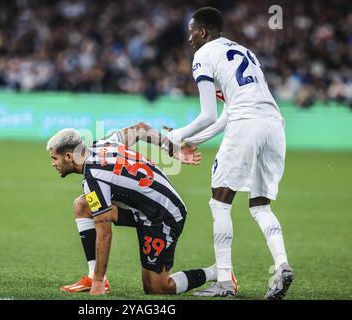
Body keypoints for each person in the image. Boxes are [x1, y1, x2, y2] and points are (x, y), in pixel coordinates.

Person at [162, 7, 294, 299]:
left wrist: (173, 136)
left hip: (246, 126)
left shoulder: (203, 55)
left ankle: (225, 282)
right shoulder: (246, 52)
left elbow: (208, 114)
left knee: (220, 205)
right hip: (274, 126)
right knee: (260, 206)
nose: (189, 38)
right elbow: (226, 114)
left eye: (192, 31)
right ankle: (282, 265)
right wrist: (191, 140)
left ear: (203, 31)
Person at [46, 123, 223, 295]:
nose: (53, 163)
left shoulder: (94, 177)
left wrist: (99, 284)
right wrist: (172, 149)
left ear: (69, 157)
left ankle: (216, 272)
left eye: (54, 158)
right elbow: (140, 129)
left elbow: (105, 233)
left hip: (164, 216)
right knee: (83, 205)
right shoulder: (101, 144)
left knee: (157, 288)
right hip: (143, 209)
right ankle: (93, 276)